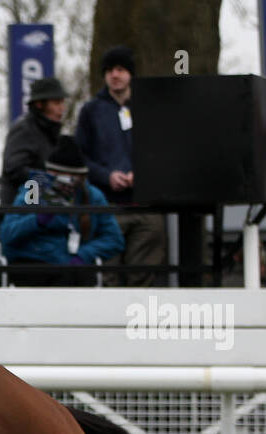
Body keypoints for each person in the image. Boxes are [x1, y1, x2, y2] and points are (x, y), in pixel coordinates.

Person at [75, 46, 167, 287]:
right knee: (109, 278)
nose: (114, 75)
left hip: (147, 207)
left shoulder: (150, 107)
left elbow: (164, 152)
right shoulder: (90, 111)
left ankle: (141, 324)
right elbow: (80, 158)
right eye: (109, 70)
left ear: (130, 74)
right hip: (107, 208)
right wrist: (107, 176)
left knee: (143, 276)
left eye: (120, 69)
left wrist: (144, 174)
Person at [0, 136, 124, 287]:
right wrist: (37, 220)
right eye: (57, 177)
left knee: (78, 279)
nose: (65, 185)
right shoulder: (35, 189)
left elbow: (114, 239)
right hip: (31, 261)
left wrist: (83, 255)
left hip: (69, 265)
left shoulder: (92, 196)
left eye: (72, 179)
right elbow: (7, 234)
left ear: (80, 178)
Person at [0, 76, 67, 236]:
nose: (61, 108)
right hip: (19, 215)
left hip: (39, 213)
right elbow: (13, 169)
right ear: (39, 104)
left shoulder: (50, 132)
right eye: (56, 103)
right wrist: (50, 180)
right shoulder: (24, 129)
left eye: (62, 102)